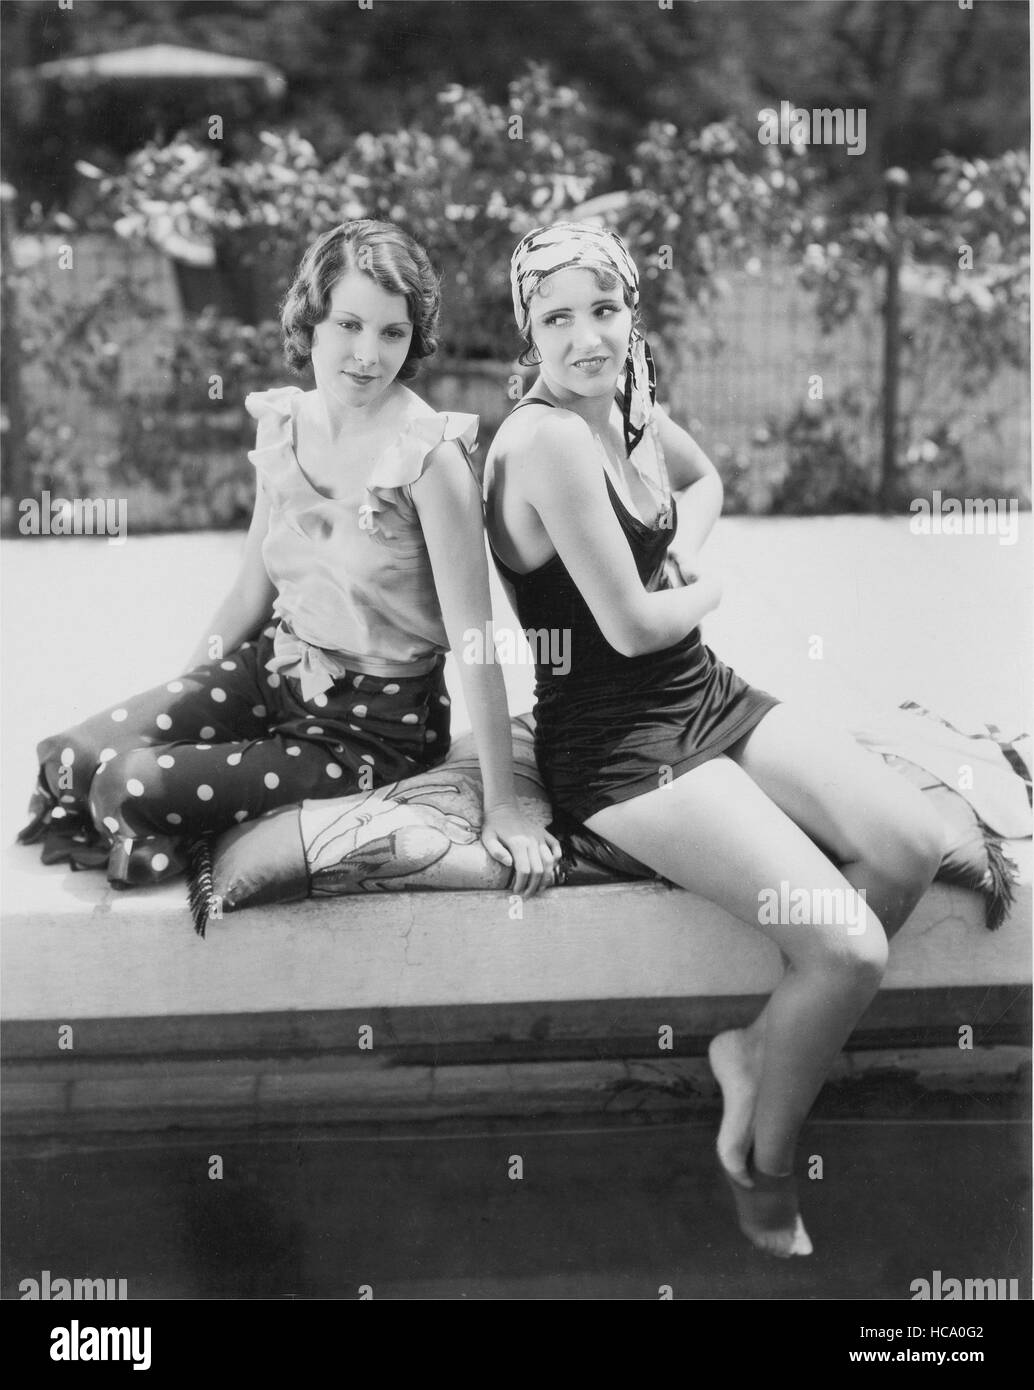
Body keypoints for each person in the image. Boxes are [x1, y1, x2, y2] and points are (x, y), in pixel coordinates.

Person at [484, 221, 946, 1256]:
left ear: (629, 312)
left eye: (602, 311)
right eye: (555, 318)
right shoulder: (544, 436)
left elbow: (702, 482)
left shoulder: (629, 403)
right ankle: (764, 1161)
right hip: (617, 747)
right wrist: (710, 584)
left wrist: (682, 550)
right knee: (843, 944)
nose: (585, 338)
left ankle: (754, 1046)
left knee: (909, 843)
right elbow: (632, 624)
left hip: (702, 693)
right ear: (528, 332)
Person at [20, 219, 560, 899]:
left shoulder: (430, 459)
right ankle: (192, 804)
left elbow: (476, 641)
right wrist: (185, 701)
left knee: (125, 786)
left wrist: (503, 806)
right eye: (348, 324)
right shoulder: (285, 424)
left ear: (413, 338)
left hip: (371, 730)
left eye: (392, 332)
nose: (368, 354)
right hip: (274, 669)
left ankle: (184, 823)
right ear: (311, 321)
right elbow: (252, 588)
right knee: (71, 760)